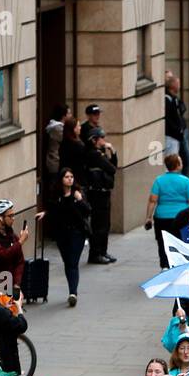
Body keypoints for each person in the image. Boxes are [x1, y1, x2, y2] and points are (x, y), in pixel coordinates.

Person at [144, 154, 189, 269]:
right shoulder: (186, 181)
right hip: (182, 217)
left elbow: (153, 200)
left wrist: (149, 217)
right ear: (178, 166)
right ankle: (179, 265)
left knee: (162, 242)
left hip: (161, 217)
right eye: (181, 162)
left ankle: (165, 266)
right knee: (180, 242)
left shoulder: (159, 180)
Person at [81, 107, 119, 265]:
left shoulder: (99, 154)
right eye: (101, 138)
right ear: (94, 141)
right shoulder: (94, 155)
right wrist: (109, 152)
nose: (104, 141)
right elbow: (111, 168)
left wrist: (113, 153)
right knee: (99, 225)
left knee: (105, 224)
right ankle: (96, 253)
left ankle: (103, 251)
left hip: (103, 192)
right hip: (97, 193)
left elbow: (112, 167)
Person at [49, 167, 92, 305]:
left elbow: (87, 211)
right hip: (62, 234)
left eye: (71, 177)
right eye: (67, 177)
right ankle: (72, 290)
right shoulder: (57, 195)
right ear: (61, 179)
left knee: (73, 262)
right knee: (67, 263)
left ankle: (73, 293)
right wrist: (45, 213)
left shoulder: (77, 194)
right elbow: (53, 210)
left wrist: (79, 200)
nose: (70, 179)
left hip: (77, 233)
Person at [164, 71, 189, 176]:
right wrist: (178, 130)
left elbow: (182, 109)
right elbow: (168, 119)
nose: (180, 86)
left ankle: (183, 179)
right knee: (175, 161)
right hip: (173, 136)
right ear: (173, 85)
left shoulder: (174, 99)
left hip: (179, 134)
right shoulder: (167, 99)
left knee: (185, 159)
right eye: (178, 84)